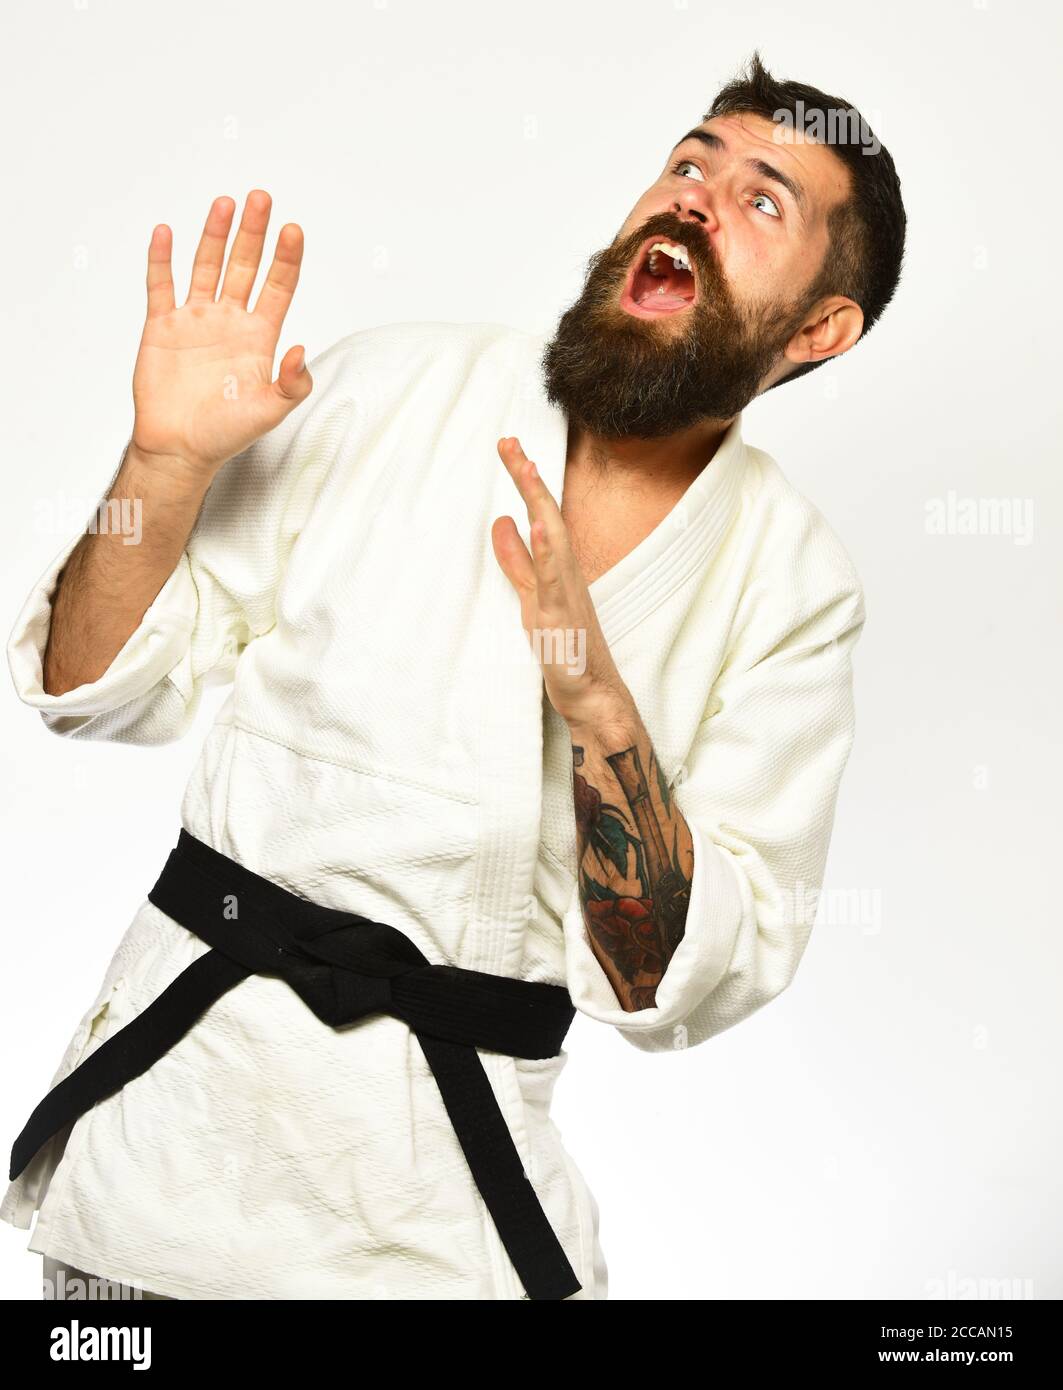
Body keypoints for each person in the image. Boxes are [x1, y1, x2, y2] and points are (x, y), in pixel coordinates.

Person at [3, 51, 905, 1300]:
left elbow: (674, 985)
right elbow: (89, 687)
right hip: (170, 1164)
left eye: (764, 200)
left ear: (820, 327)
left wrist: (595, 703)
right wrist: (161, 464)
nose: (694, 196)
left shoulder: (792, 582)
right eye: (689, 161)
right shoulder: (393, 389)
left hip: (440, 1224)